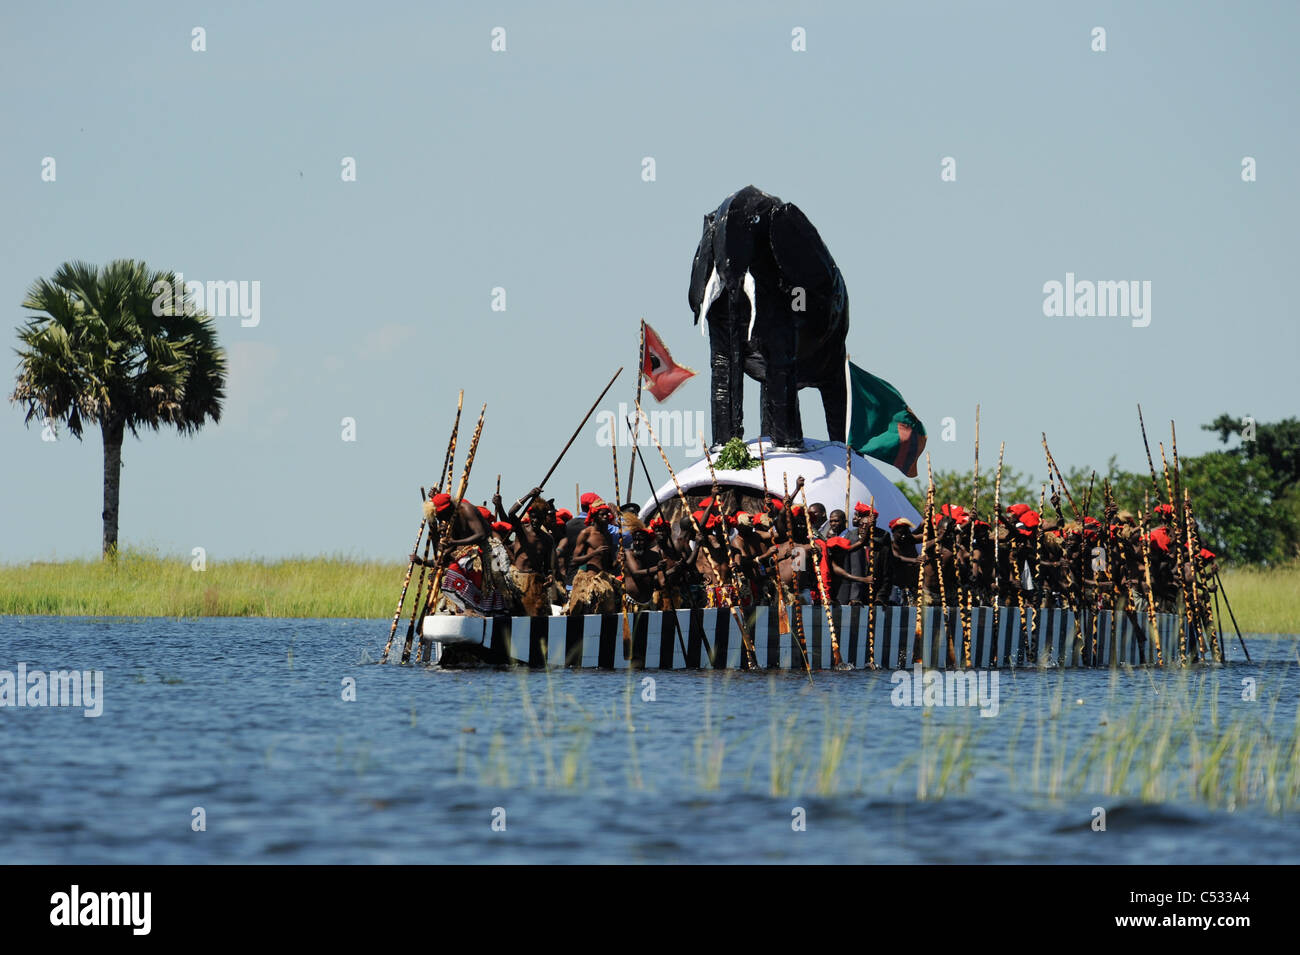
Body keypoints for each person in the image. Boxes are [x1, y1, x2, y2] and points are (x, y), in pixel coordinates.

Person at [566, 498, 620, 615]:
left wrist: (618, 560)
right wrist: (593, 553)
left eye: (607, 514)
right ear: (595, 516)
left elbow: (610, 565)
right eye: (602, 515)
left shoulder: (607, 535)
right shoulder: (586, 533)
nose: (606, 517)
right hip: (589, 581)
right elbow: (574, 561)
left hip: (604, 581)